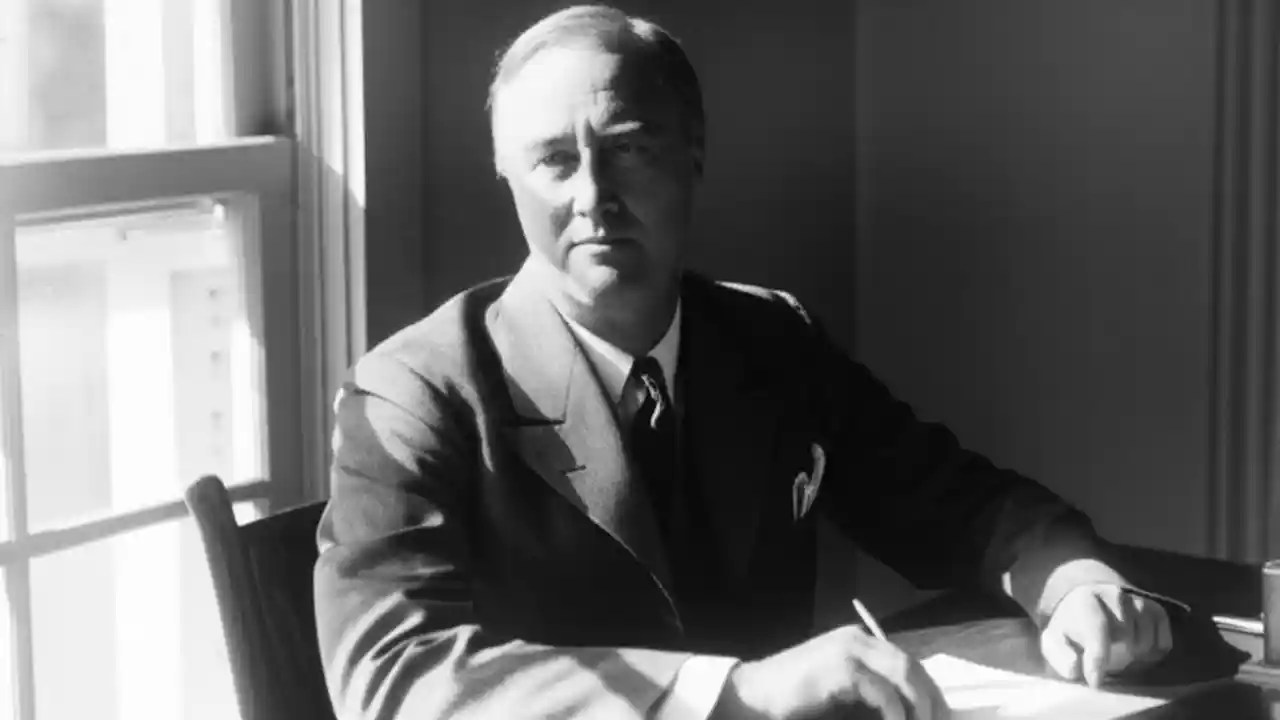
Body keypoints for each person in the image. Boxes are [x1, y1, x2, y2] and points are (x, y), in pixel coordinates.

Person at [313, 6, 1175, 719]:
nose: (591, 197)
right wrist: (736, 692)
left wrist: (1070, 582)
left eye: (629, 147)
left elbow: (947, 501)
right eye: (553, 161)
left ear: (694, 156)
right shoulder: (415, 392)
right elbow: (394, 675)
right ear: (507, 175)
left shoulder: (768, 340)